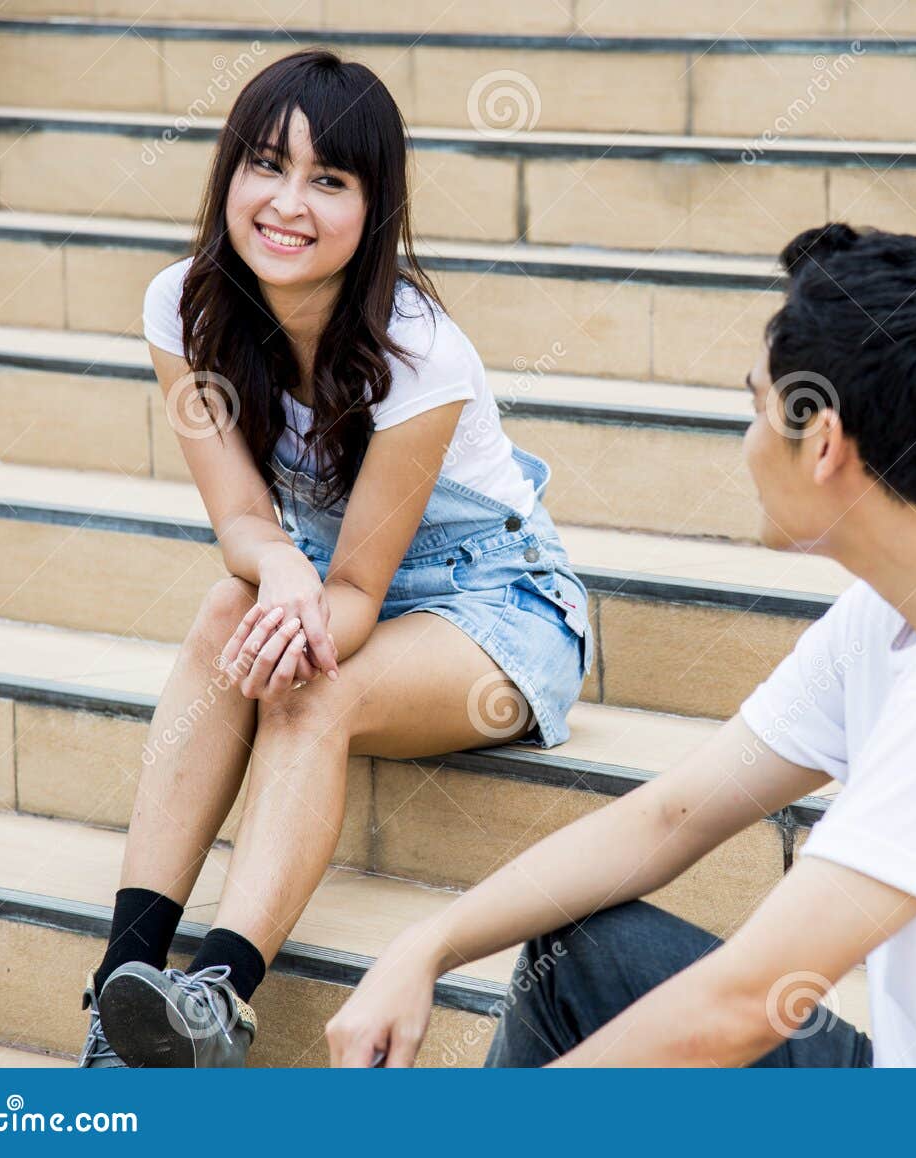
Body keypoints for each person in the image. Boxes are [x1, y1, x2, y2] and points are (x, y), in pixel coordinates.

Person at [324, 223, 916, 1068]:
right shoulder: (898, 612)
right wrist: (426, 945)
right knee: (589, 950)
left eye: (755, 406)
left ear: (822, 441)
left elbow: (748, 1003)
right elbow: (671, 816)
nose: (745, 442)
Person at [77, 49, 592, 1068]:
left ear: (375, 207)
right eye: (266, 165)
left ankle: (216, 1000)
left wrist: (301, 596)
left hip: (490, 602)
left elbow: (358, 588)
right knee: (225, 613)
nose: (287, 203)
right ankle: (118, 996)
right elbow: (241, 519)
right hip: (324, 572)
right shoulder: (179, 308)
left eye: (329, 180)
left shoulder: (418, 350)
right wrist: (274, 570)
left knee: (311, 691)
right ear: (228, 172)